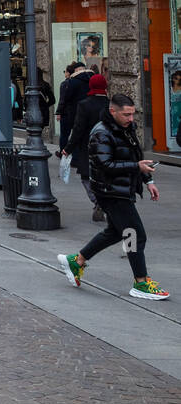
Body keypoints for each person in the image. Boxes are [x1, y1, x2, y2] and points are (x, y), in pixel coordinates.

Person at [59, 94, 168, 300]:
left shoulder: (126, 129)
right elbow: (105, 165)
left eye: (132, 114)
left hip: (121, 190)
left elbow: (135, 157)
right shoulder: (101, 133)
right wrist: (137, 167)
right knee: (135, 235)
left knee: (117, 232)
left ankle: (77, 260)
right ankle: (140, 282)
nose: (130, 118)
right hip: (110, 192)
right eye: (126, 114)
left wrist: (148, 180)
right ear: (113, 112)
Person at [63, 73, 112, 223]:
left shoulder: (84, 104)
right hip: (109, 148)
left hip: (88, 146)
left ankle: (97, 201)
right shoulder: (111, 104)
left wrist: (68, 148)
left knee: (86, 177)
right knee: (106, 176)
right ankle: (105, 202)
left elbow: (78, 129)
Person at [56, 62, 91, 152]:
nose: (65, 73)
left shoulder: (69, 82)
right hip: (84, 111)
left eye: (65, 71)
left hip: (69, 112)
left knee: (66, 134)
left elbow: (64, 99)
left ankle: (64, 152)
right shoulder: (89, 79)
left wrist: (59, 112)